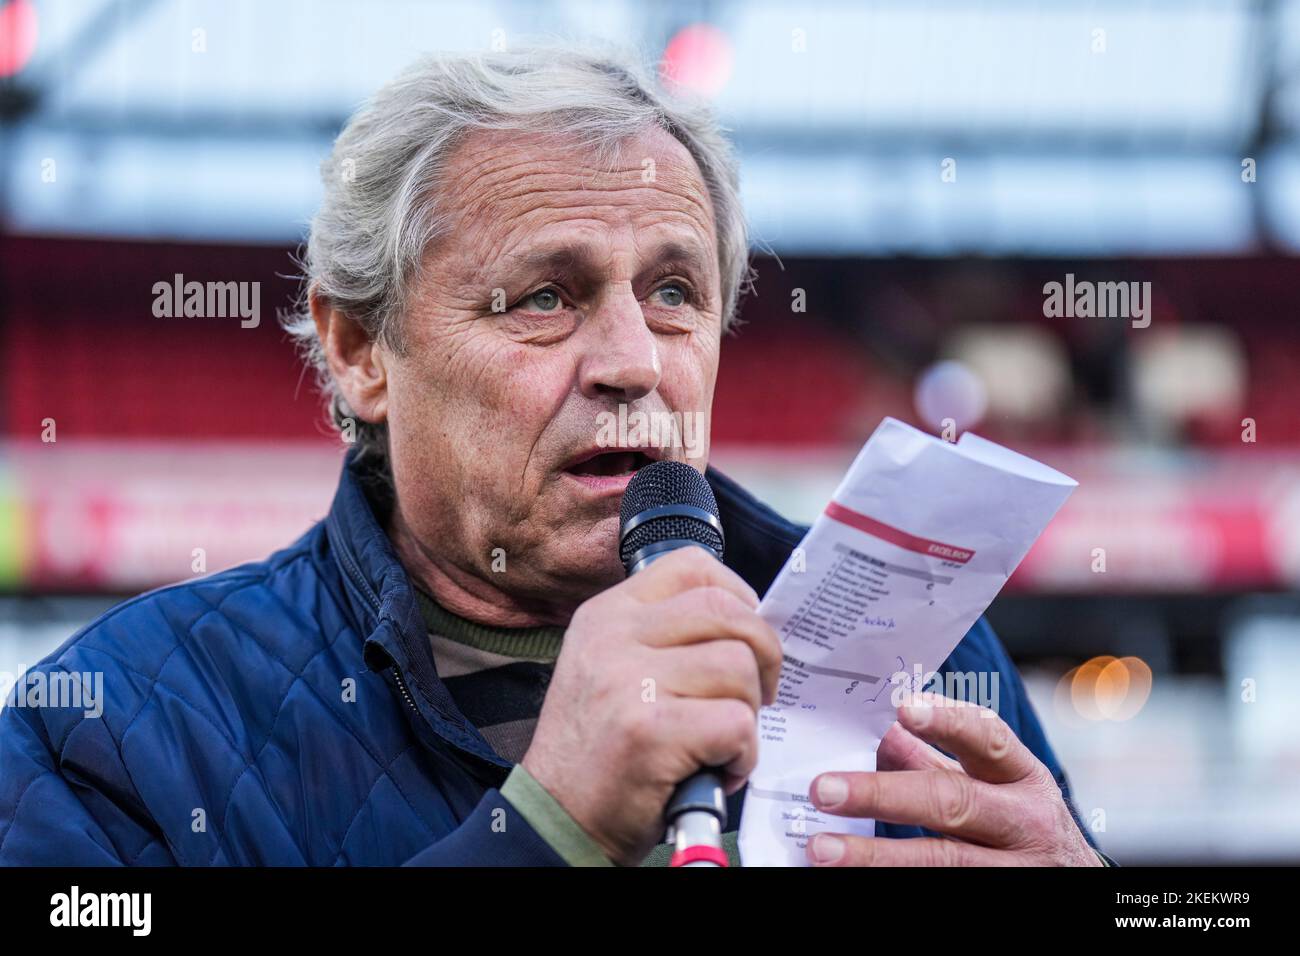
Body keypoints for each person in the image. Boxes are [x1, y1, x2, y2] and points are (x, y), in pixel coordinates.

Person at [0, 45, 1106, 867]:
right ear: (358, 349)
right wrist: (543, 830)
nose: (634, 361)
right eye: (544, 296)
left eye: (674, 292)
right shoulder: (114, 731)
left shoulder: (926, 650)